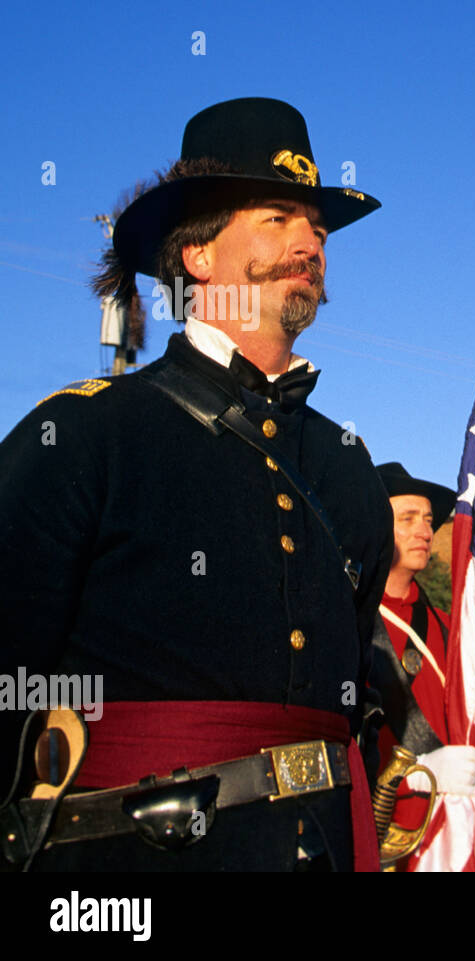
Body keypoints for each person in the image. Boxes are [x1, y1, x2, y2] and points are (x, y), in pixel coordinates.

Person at [0, 98, 391, 871]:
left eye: (315, 224)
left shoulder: (348, 466)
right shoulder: (86, 435)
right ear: (198, 255)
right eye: (277, 217)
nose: (309, 239)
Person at [369, 462, 475, 869]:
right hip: (385, 826)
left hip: (452, 823)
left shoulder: (449, 625)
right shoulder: (348, 621)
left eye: (429, 521)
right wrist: (415, 770)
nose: (424, 531)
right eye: (408, 519)